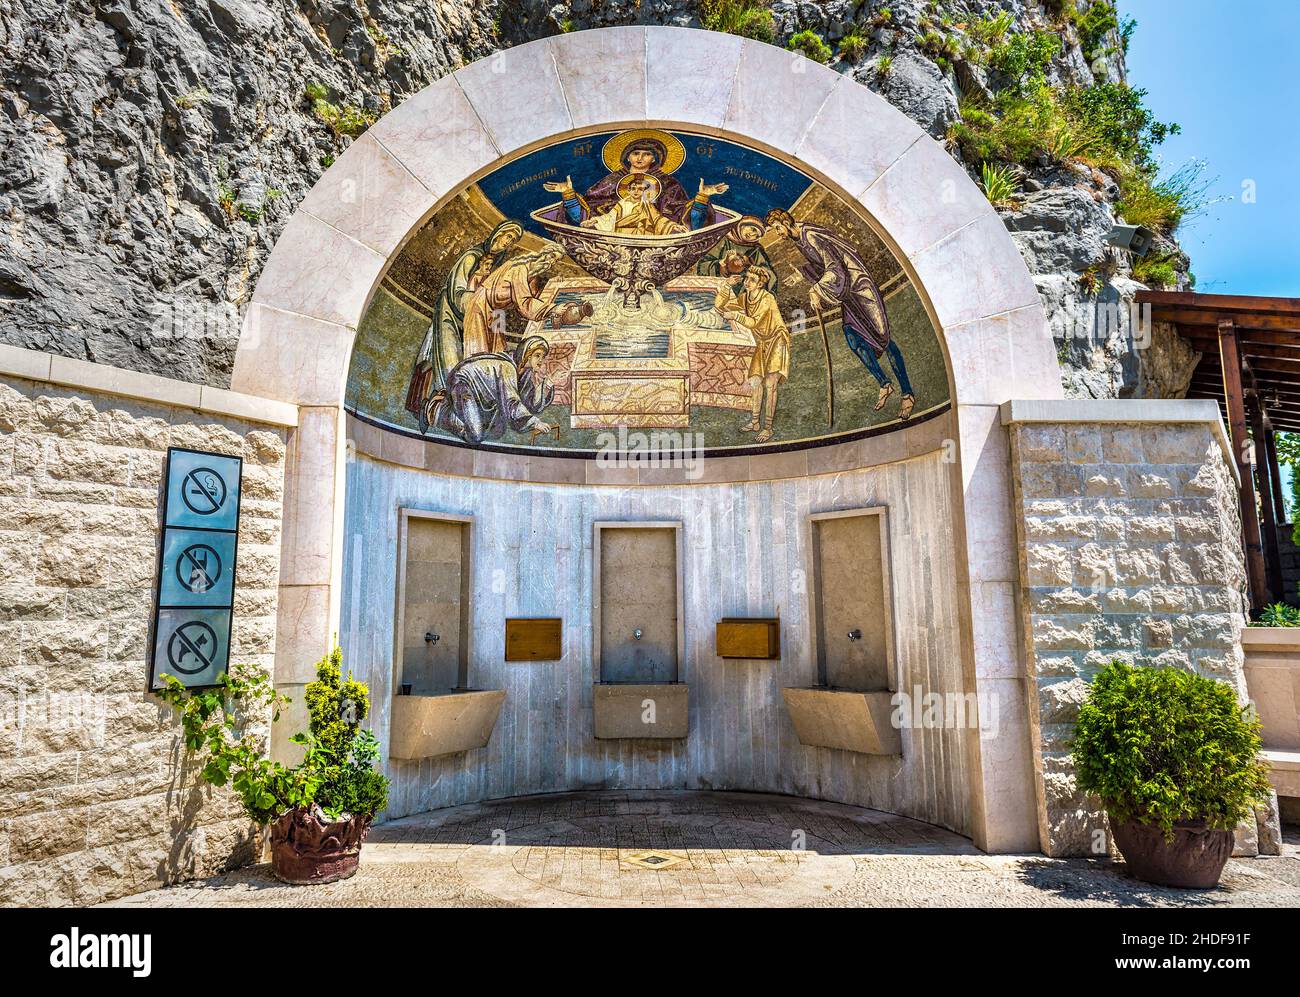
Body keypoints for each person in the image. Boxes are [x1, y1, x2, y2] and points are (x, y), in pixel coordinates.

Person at [765, 208, 915, 420]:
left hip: (859, 288)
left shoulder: (811, 235)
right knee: (853, 338)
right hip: (847, 293)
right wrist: (804, 275)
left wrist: (816, 289)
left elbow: (835, 267)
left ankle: (907, 393)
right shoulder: (801, 239)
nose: (777, 233)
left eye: (777, 228)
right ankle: (884, 384)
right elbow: (823, 265)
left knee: (884, 338)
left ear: (786, 221)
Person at [405, 220, 523, 429]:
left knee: (479, 362)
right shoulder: (471, 258)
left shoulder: (497, 270)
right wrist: (474, 300)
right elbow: (456, 291)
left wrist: (498, 328)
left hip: (477, 319)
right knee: (451, 360)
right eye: (507, 236)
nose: (507, 242)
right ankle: (438, 406)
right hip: (453, 313)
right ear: (497, 234)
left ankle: (467, 406)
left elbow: (497, 305)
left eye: (512, 240)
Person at [543, 130, 727, 231]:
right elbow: (583, 217)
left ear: (654, 159)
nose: (640, 158)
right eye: (636, 153)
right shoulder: (611, 180)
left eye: (647, 154)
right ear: (628, 157)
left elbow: (688, 222)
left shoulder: (669, 184)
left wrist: (702, 197)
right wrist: (568, 193)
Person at [459, 244, 585, 358]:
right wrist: (552, 308)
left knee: (498, 352)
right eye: (551, 256)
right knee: (479, 351)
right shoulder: (520, 268)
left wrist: (553, 283)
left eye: (555, 260)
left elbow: (535, 298)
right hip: (480, 305)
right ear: (543, 253)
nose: (551, 262)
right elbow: (524, 302)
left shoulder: (532, 274)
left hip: (497, 311)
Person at [427, 336, 556, 445]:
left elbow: (530, 404)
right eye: (537, 355)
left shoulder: (525, 374)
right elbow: (512, 402)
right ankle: (437, 409)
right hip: (462, 385)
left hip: (481, 395)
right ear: (526, 354)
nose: (541, 361)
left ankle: (451, 410)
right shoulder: (508, 367)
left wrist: (548, 385)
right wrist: (535, 422)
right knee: (475, 435)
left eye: (543, 357)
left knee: (497, 431)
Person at [715, 267, 790, 443]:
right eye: (746, 278)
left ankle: (768, 428)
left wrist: (735, 316)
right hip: (762, 342)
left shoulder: (767, 298)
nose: (747, 282)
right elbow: (720, 306)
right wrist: (726, 286)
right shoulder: (745, 297)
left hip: (777, 340)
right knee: (756, 382)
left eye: (752, 279)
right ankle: (755, 422)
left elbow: (754, 322)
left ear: (761, 283)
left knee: (770, 384)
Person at [581, 174, 687, 236]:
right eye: (633, 188)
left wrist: (674, 226)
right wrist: (594, 220)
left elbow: (657, 219)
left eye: (640, 189)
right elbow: (609, 217)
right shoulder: (622, 204)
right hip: (620, 235)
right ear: (628, 190)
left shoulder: (647, 205)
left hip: (641, 235)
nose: (636, 191)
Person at [696, 214, 777, 291]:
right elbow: (702, 267)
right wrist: (722, 263)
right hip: (719, 289)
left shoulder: (755, 250)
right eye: (753, 229)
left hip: (744, 293)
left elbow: (771, 276)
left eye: (756, 236)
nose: (752, 234)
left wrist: (761, 272)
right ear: (743, 225)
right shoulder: (722, 239)